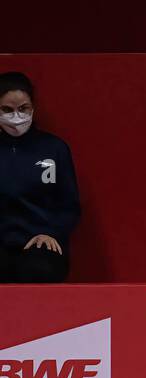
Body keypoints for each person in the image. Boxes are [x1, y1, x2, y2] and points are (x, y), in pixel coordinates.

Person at [0, 72, 80, 283]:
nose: (16, 116)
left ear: (33, 108)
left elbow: (69, 205)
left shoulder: (54, 149)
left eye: (23, 108)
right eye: (7, 110)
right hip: (2, 244)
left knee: (38, 269)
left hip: (42, 243)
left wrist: (51, 233)